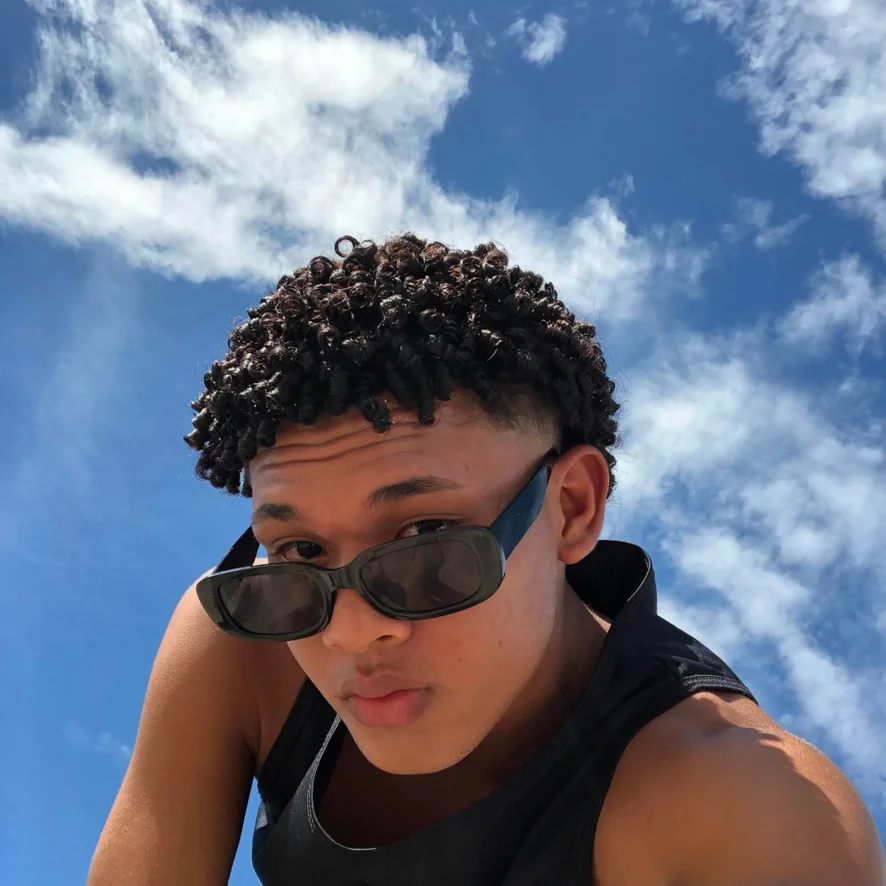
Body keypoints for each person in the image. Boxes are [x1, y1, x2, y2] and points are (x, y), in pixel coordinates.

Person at [86, 234, 885, 886]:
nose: (350, 633)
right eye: (299, 550)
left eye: (425, 541)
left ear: (573, 508)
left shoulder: (739, 809)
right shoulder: (252, 631)